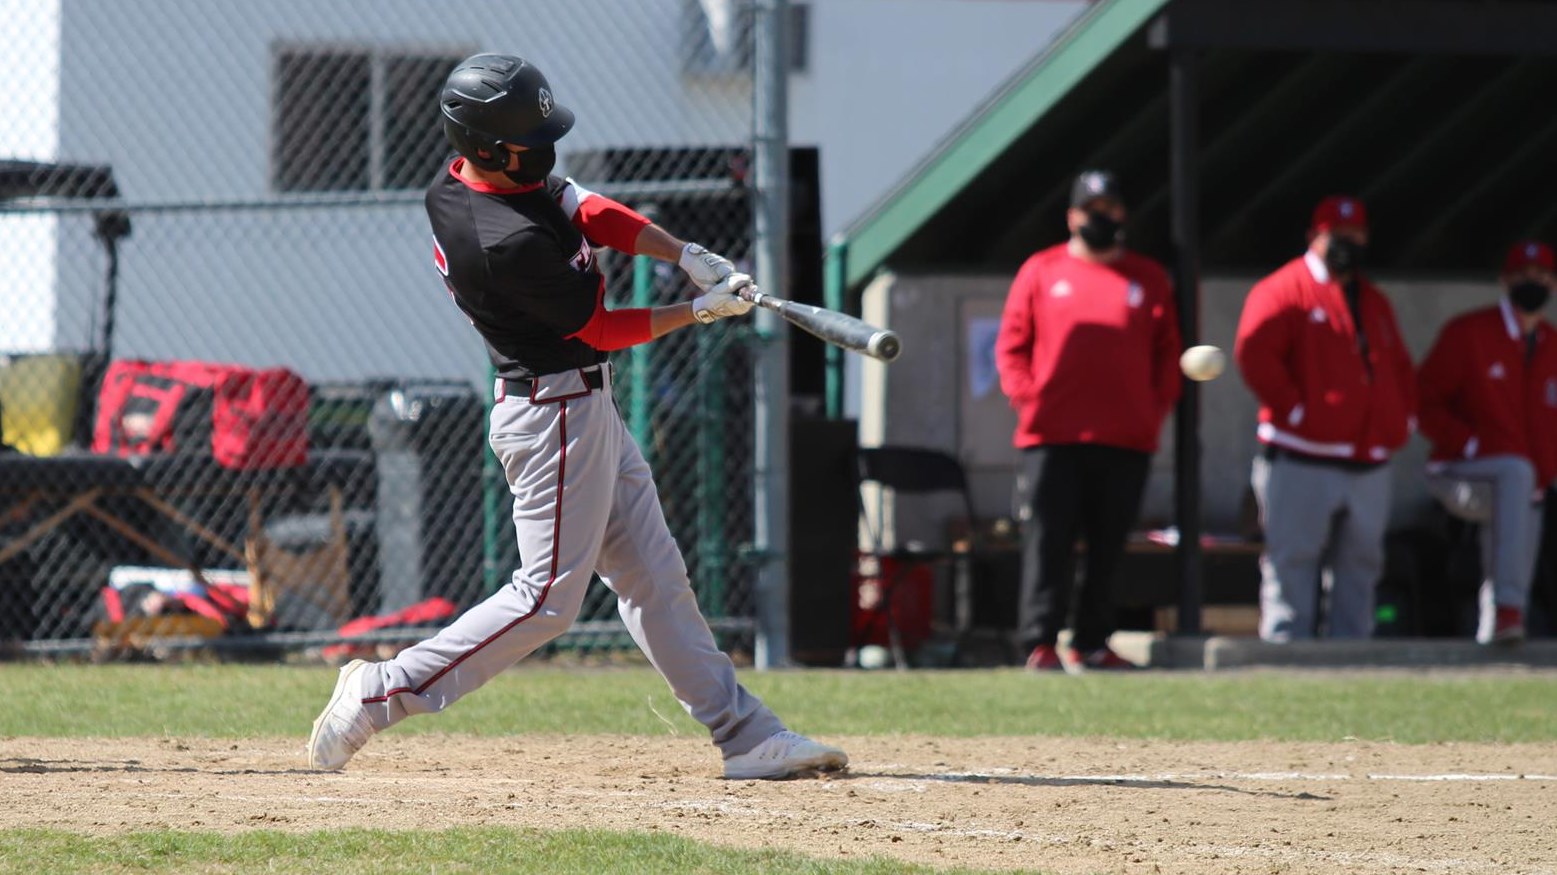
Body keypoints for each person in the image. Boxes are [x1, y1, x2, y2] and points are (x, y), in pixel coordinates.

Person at [306, 53, 847, 780]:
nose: (544, 153)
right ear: (488, 149)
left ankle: (745, 734)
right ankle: (381, 690)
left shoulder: (464, 176)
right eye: (529, 143)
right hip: (552, 413)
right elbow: (597, 329)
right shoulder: (503, 246)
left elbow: (578, 202)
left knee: (655, 576)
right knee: (546, 601)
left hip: (581, 408)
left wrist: (682, 252)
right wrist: (697, 311)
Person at [994, 170, 1181, 673]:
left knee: (1108, 546)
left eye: (1111, 208)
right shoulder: (1042, 269)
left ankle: (1093, 642)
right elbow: (1012, 345)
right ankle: (1040, 643)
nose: (1102, 216)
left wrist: (1152, 410)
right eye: (1092, 208)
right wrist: (1028, 399)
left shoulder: (1148, 277)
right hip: (1052, 434)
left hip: (1125, 436)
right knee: (1049, 541)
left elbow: (1169, 356)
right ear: (1073, 215)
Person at [1235, 195, 1416, 642]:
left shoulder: (1372, 299)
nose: (1348, 243)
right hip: (1302, 456)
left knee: (1361, 566)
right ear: (1315, 236)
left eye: (1356, 235)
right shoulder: (1282, 289)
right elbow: (1254, 355)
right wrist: (1297, 411)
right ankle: (1284, 658)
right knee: (1292, 562)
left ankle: (1351, 659)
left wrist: (1401, 420)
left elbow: (1400, 368)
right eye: (1338, 235)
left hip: (1368, 459)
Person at [1417, 240, 1557, 644]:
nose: (1533, 284)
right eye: (1524, 277)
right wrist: (1470, 443)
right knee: (1516, 470)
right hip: (1459, 471)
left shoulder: (1551, 343)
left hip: (1525, 486)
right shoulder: (1470, 333)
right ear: (1504, 280)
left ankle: (1496, 641)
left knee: (1522, 489)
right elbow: (1422, 402)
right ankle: (1508, 608)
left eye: (1542, 277)